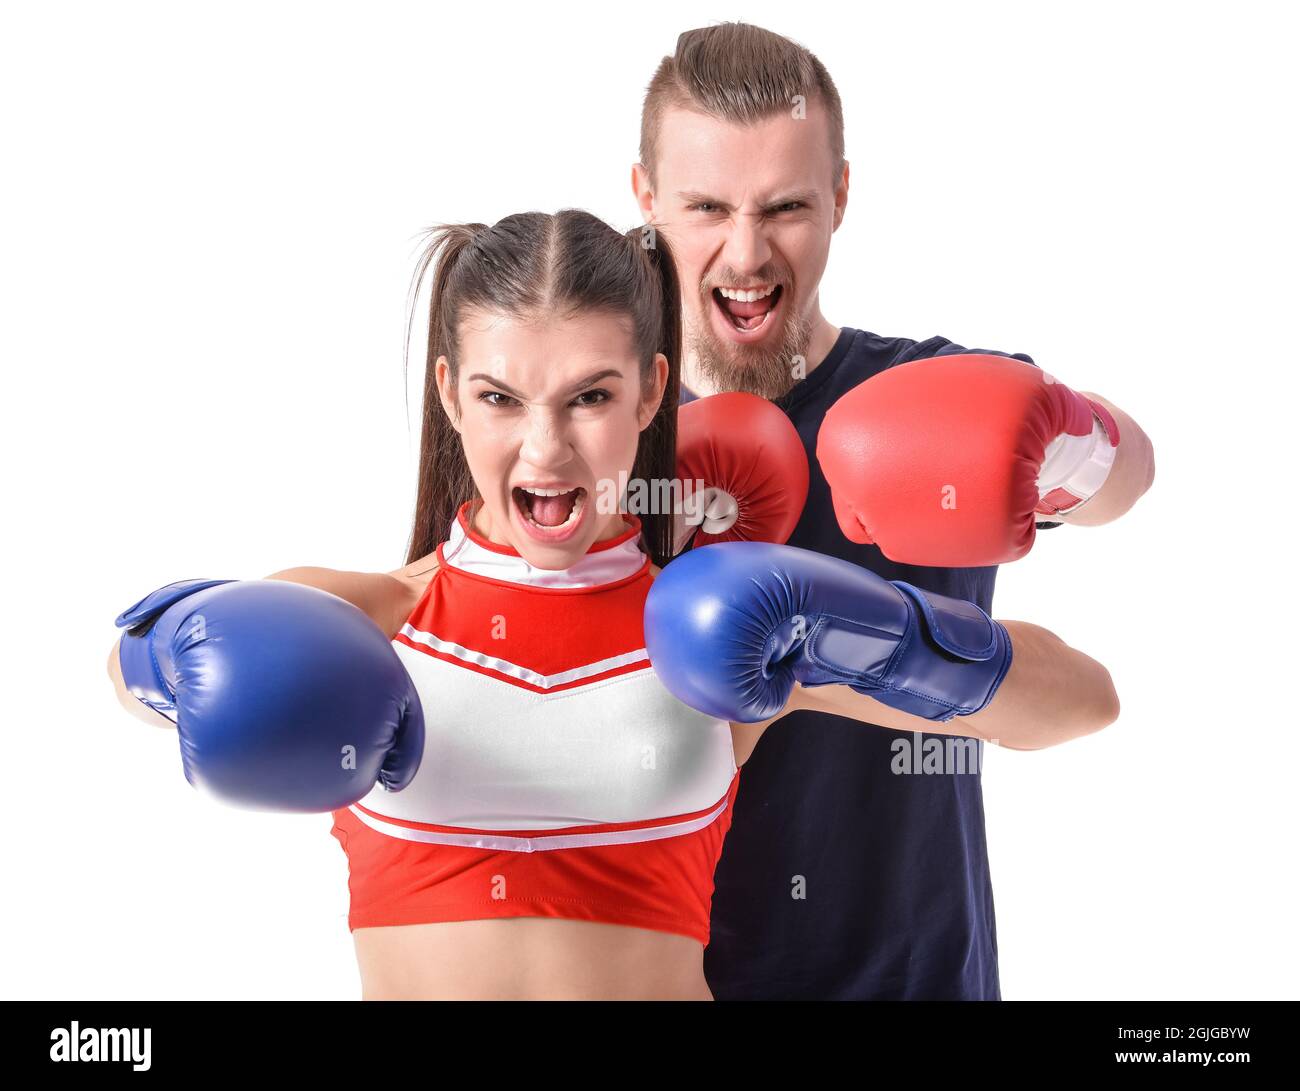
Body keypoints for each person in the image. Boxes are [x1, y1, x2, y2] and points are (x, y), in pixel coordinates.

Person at [107, 209, 808, 1000]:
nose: (545, 447)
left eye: (589, 396)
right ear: (450, 394)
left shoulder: (721, 633)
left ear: (651, 389)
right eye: (501, 397)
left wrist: (944, 594)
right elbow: (121, 673)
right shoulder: (365, 624)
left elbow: (976, 707)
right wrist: (171, 653)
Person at [630, 22, 1156, 999]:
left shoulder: (926, 394)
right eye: (706, 205)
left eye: (784, 205)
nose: (744, 253)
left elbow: (1129, 482)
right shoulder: (594, 445)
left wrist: (1061, 429)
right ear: (646, 199)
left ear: (838, 194)